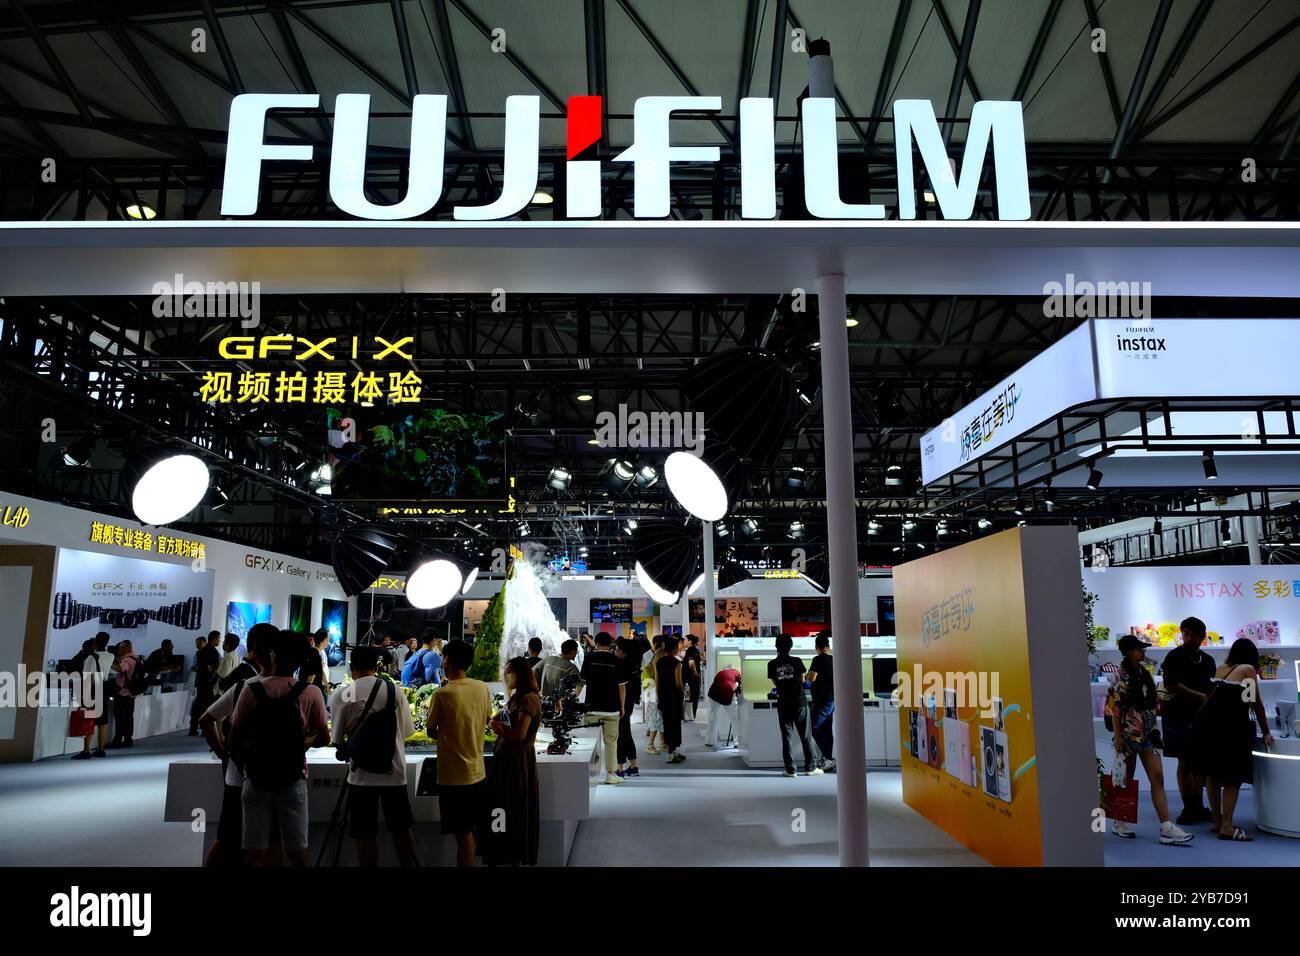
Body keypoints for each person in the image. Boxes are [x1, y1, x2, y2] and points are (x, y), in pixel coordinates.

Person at [227, 629, 330, 866]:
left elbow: (233, 739)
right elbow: (324, 738)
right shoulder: (311, 693)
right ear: (301, 660)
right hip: (293, 778)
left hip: (256, 778)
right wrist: (300, 743)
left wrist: (249, 760)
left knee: (254, 852)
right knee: (298, 851)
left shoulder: (250, 690)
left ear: (273, 654)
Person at [330, 645, 417, 866]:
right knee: (401, 828)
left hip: (360, 776)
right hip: (394, 773)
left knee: (364, 834)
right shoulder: (394, 690)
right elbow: (407, 732)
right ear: (376, 666)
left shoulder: (344, 694)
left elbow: (337, 740)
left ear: (351, 667)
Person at [199, 623, 276, 867]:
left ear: (253, 650)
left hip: (239, 776)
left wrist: (224, 754)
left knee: (228, 838)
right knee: (270, 843)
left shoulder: (243, 686)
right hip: (277, 778)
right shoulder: (296, 689)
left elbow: (206, 720)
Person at [1106, 634, 1193, 844]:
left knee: (1158, 776)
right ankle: (1120, 820)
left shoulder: (1144, 673)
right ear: (1129, 651)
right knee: (1125, 778)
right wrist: (1118, 736)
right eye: (1139, 648)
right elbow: (1114, 707)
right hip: (1128, 734)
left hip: (1148, 733)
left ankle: (1166, 826)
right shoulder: (1120, 675)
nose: (1143, 651)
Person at [1187, 638, 1275, 842]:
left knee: (1213, 775)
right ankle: (1227, 826)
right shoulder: (1247, 670)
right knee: (1232, 777)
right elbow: (1253, 701)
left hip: (1209, 729)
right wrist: (1266, 731)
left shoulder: (1221, 669)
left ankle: (1217, 821)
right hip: (1232, 729)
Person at [425, 639, 493, 866]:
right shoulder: (482, 688)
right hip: (478, 773)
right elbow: (487, 719)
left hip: (453, 777)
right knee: (470, 831)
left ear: (448, 661)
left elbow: (431, 730)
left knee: (462, 835)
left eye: (443, 658)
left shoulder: (442, 694)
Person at [485, 657, 543, 866]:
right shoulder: (517, 698)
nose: (506, 675)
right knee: (500, 807)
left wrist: (496, 727)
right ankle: (500, 851)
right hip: (505, 761)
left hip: (516, 763)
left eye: (510, 671)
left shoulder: (529, 700)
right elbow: (497, 718)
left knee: (513, 808)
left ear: (521, 674)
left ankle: (512, 855)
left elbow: (519, 735)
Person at [1159, 616, 1216, 824]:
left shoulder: (1208, 660)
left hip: (1201, 717)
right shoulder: (1174, 656)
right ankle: (1188, 807)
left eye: (1194, 635)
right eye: (1185, 634)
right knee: (1183, 760)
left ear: (1202, 637)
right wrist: (1199, 696)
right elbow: (1171, 684)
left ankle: (1198, 806)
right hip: (1176, 715)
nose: (1189, 638)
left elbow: (1211, 686)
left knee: (1199, 762)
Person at [768, 634, 820, 777]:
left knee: (786, 737)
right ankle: (811, 768)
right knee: (806, 736)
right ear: (790, 646)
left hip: (783, 703)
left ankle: (790, 770)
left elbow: (775, 682)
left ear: (776, 647)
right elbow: (803, 679)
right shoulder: (797, 661)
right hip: (799, 702)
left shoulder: (771, 664)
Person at [581, 632, 626, 784]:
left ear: (597, 643)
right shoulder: (617, 660)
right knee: (611, 741)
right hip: (611, 708)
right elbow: (621, 686)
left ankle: (586, 774)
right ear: (611, 644)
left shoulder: (589, 658)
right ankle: (610, 774)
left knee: (589, 742)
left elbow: (582, 681)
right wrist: (622, 706)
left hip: (591, 707)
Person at [73, 632, 114, 759]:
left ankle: (86, 750)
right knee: (102, 721)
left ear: (95, 642)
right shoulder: (111, 656)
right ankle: (101, 749)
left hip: (94, 689)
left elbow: (89, 679)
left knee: (90, 719)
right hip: (104, 688)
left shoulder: (91, 658)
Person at [614, 636, 650, 777]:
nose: (615, 652)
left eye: (618, 650)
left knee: (621, 735)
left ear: (624, 652)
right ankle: (633, 766)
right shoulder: (633, 666)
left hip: (622, 704)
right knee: (625, 733)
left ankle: (621, 767)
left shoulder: (623, 667)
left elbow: (621, 687)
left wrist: (621, 706)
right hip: (627, 704)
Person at [656, 636, 686, 764]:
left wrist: (658, 696)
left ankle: (673, 752)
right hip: (674, 697)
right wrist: (685, 691)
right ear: (674, 648)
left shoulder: (659, 662)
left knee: (667, 724)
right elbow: (679, 683)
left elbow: (657, 681)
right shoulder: (677, 663)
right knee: (675, 725)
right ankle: (670, 754)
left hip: (663, 696)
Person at [807, 632, 835, 771]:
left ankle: (828, 758)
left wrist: (807, 676)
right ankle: (827, 758)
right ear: (828, 646)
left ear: (816, 647)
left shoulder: (817, 659)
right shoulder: (834, 659)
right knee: (827, 730)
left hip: (821, 701)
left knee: (813, 728)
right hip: (831, 700)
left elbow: (811, 678)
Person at [106, 640, 140, 748]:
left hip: (123, 692)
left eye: (120, 648)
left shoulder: (127, 660)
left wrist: (108, 662)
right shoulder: (136, 657)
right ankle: (128, 739)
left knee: (120, 716)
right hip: (132, 691)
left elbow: (120, 668)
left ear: (125, 648)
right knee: (128, 716)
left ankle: (117, 739)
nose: (119, 650)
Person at [190, 631, 221, 735]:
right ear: (214, 639)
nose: (219, 640)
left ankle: (193, 728)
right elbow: (215, 666)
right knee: (207, 706)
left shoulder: (202, 651)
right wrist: (212, 668)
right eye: (218, 638)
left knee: (198, 705)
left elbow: (201, 667)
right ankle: (205, 729)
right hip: (207, 682)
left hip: (201, 681)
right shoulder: (212, 651)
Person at [705, 662, 742, 749]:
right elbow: (739, 685)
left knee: (713, 717)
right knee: (734, 718)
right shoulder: (737, 673)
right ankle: (737, 742)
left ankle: (709, 741)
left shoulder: (720, 672)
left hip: (713, 694)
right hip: (726, 693)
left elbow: (717, 683)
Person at [644, 636, 665, 755]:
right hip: (654, 689)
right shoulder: (657, 655)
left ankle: (662, 742)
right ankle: (650, 744)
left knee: (660, 716)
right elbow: (657, 675)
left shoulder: (659, 654)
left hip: (655, 689)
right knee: (656, 716)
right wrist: (657, 693)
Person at [682, 635, 703, 720]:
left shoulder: (690, 650)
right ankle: (692, 714)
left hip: (690, 677)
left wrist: (694, 671)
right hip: (694, 678)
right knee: (694, 696)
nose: (684, 642)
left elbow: (691, 663)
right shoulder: (695, 650)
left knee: (691, 696)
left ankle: (690, 715)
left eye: (685, 640)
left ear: (690, 641)